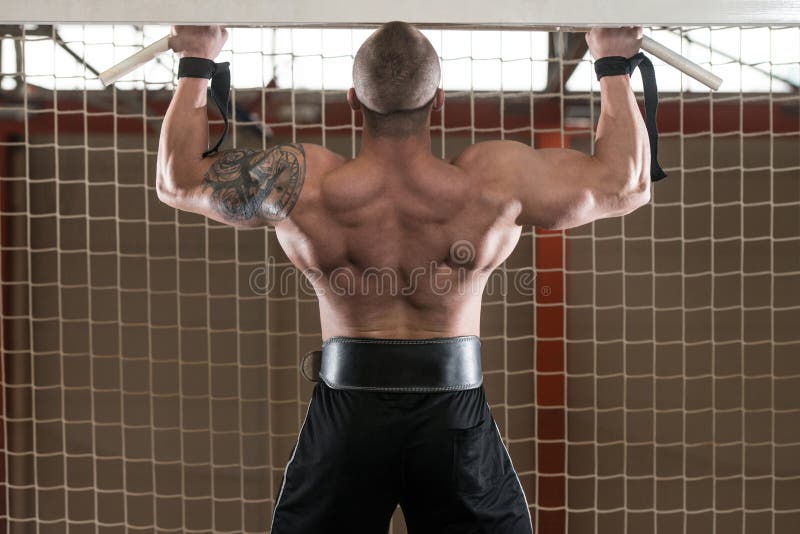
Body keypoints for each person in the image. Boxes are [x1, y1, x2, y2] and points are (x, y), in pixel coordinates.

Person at [158, 22, 650, 534]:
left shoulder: (304, 181)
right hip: (452, 417)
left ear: (353, 100)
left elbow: (178, 180)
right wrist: (612, 61)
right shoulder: (493, 180)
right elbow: (626, 184)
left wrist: (198, 57)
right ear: (438, 100)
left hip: (347, 418)